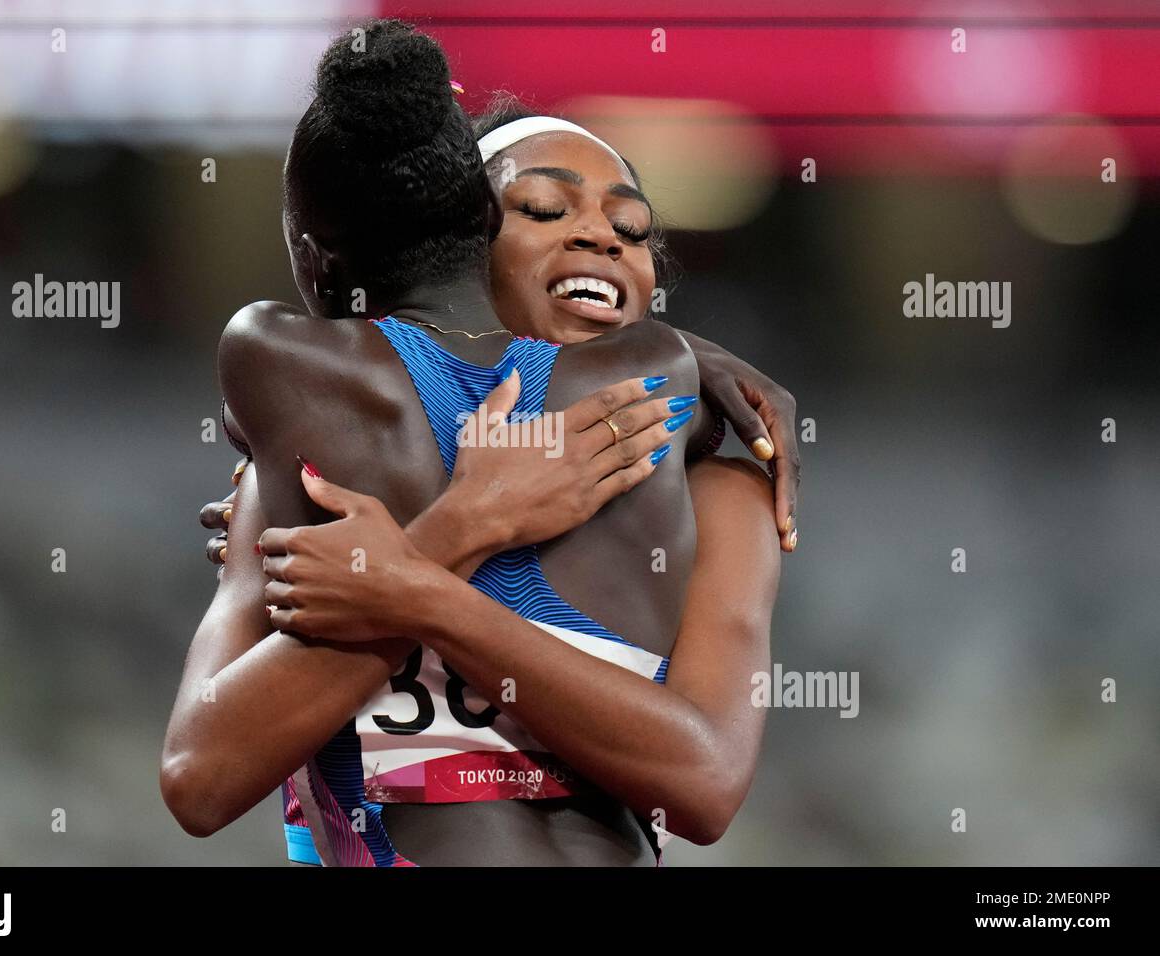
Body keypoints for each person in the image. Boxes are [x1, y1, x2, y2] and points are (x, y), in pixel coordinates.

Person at [161, 19, 782, 866]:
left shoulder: (725, 498)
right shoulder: (297, 476)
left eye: (634, 231)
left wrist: (416, 591)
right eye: (544, 208)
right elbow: (201, 775)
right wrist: (466, 520)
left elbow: (704, 783)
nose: (602, 235)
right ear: (466, 229)